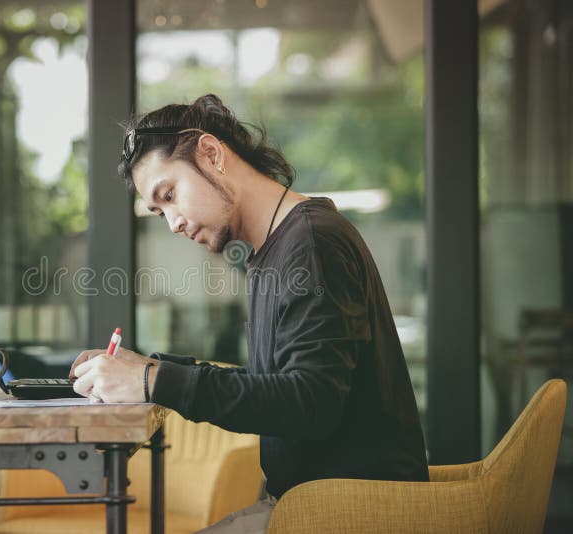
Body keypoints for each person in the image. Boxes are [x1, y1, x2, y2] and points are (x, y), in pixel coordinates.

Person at [69, 94, 428, 533]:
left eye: (170, 195)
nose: (173, 223)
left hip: (351, 514)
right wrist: (145, 367)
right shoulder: (273, 251)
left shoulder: (312, 245)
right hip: (310, 506)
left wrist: (151, 381)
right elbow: (278, 386)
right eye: (159, 211)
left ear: (211, 153)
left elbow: (310, 404)